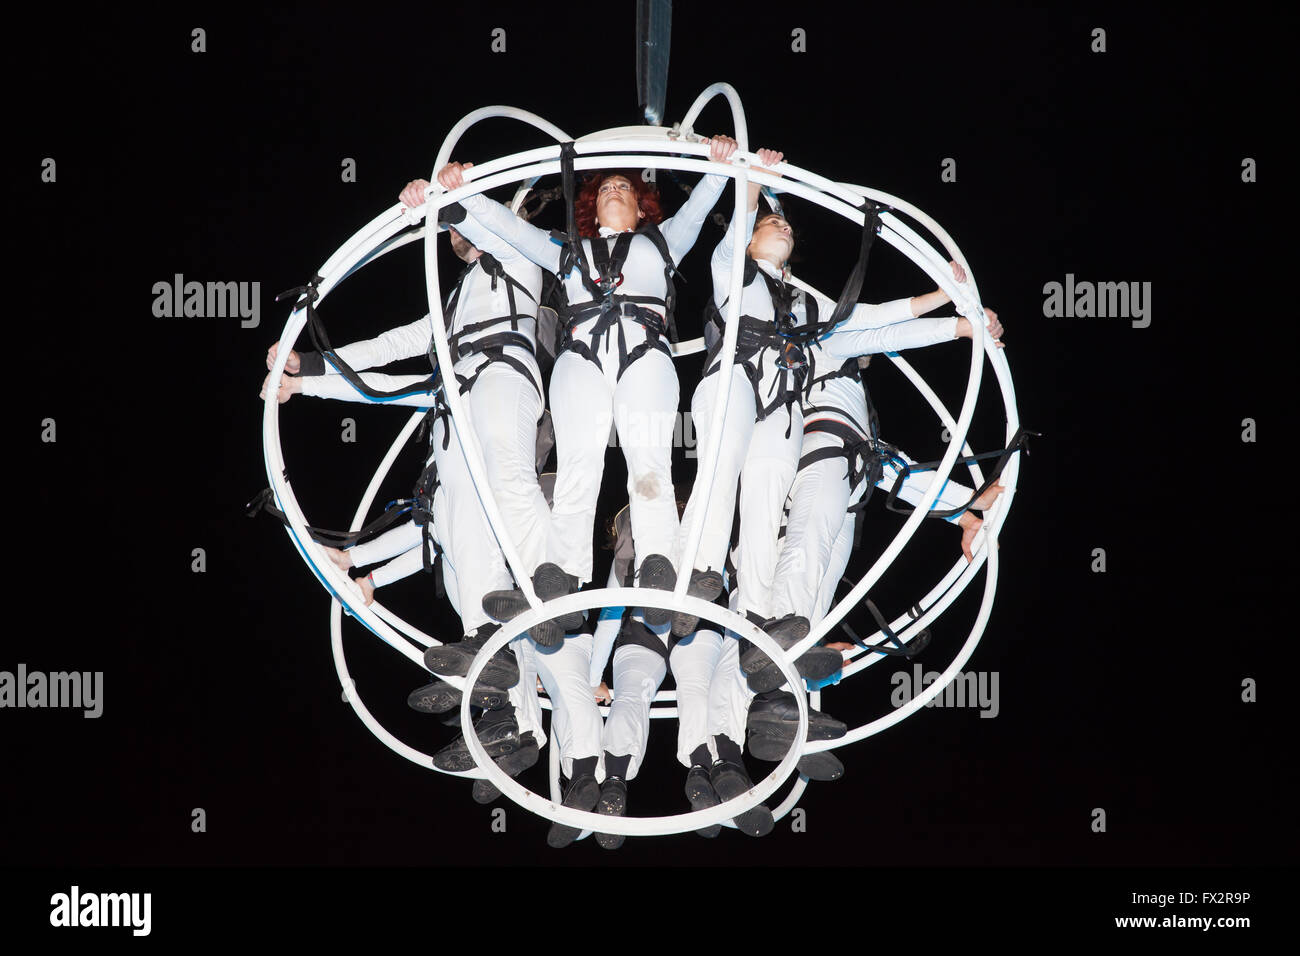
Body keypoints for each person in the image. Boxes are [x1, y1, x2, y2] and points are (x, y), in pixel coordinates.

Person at [432, 137, 739, 630]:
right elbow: (507, 227)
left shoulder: (665, 242)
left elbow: (704, 202)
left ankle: (658, 566)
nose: (614, 190)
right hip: (581, 360)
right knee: (578, 465)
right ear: (592, 210)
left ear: (641, 209)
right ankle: (564, 571)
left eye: (624, 187)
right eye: (605, 188)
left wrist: (724, 161)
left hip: (645, 355)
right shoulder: (565, 250)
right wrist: (460, 194)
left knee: (649, 461)